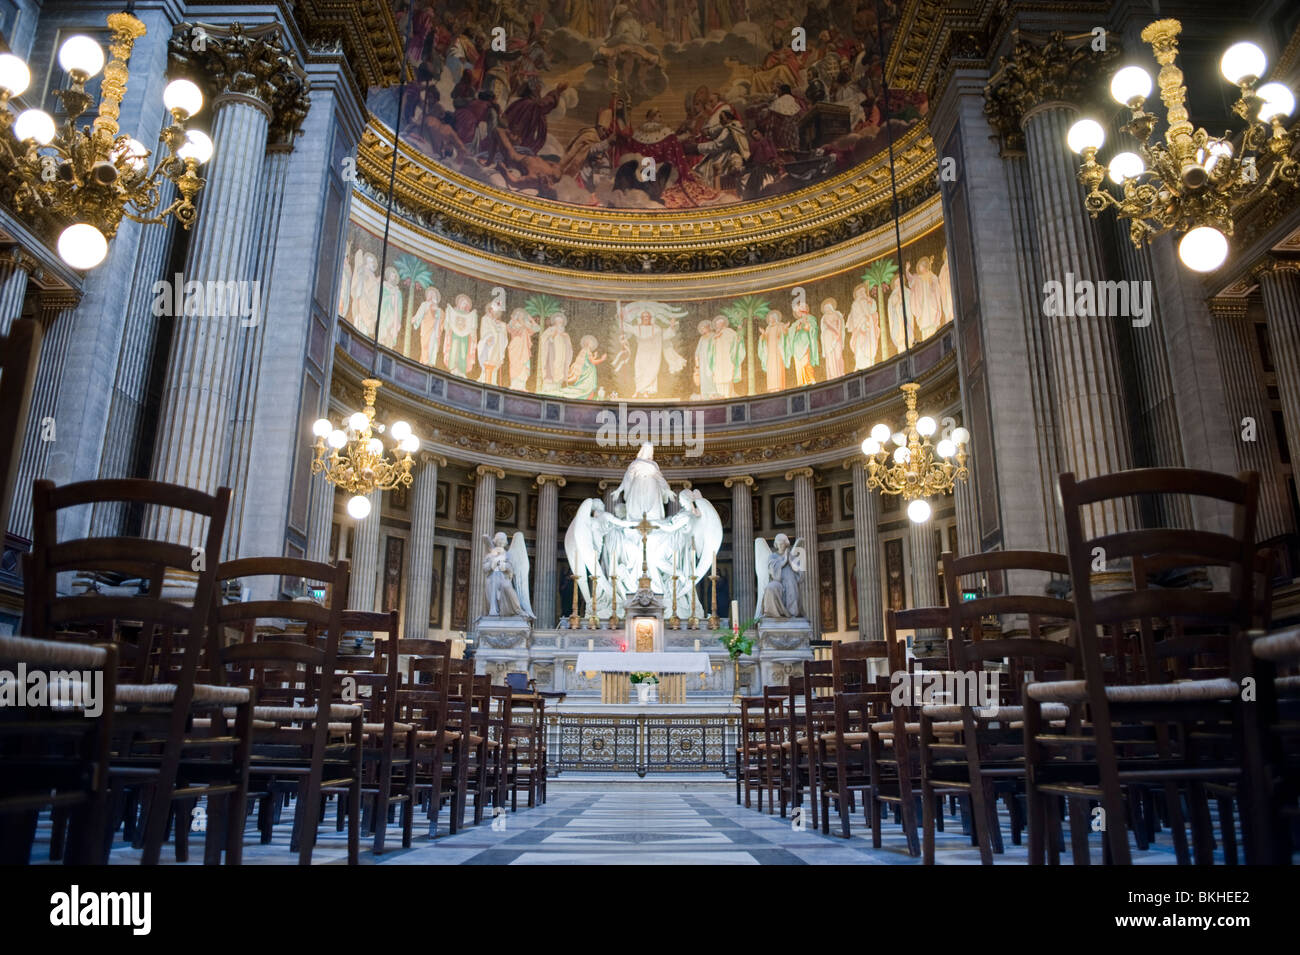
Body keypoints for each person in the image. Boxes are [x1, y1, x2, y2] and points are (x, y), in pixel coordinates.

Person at [846, 283, 879, 370]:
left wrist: (870, 302)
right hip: (860, 329)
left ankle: (870, 363)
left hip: (870, 328)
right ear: (857, 294)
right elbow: (855, 317)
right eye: (860, 292)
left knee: (869, 345)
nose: (862, 293)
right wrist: (862, 322)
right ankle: (860, 365)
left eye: (863, 291)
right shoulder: (855, 304)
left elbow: (873, 311)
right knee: (860, 346)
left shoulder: (869, 301)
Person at [710, 315, 744, 397]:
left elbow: (737, 340)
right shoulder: (715, 335)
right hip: (718, 360)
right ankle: (720, 395)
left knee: (727, 376)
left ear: (723, 324)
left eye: (719, 323)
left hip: (727, 358)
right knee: (719, 377)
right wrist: (715, 338)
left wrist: (739, 331)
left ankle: (728, 395)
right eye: (717, 324)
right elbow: (710, 349)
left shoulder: (730, 331)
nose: (718, 325)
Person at [819, 298, 845, 380]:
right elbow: (826, 327)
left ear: (831, 307)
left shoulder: (837, 315)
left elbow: (840, 325)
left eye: (828, 308)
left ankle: (840, 373)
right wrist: (835, 331)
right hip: (828, 338)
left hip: (837, 337)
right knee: (830, 358)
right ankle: (832, 376)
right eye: (825, 309)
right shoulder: (824, 317)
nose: (827, 310)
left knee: (838, 355)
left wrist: (838, 334)